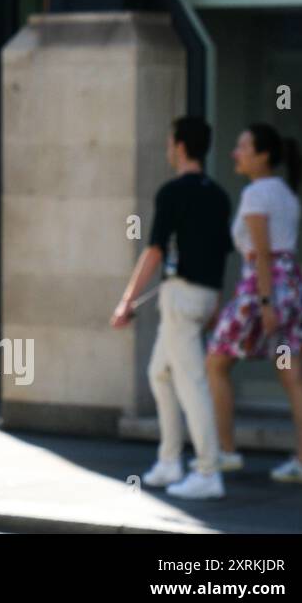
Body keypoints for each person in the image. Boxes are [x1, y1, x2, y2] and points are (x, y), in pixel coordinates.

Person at [112, 116, 233, 500]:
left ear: (180, 146)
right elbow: (220, 255)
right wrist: (216, 301)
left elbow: (154, 251)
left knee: (191, 382)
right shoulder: (218, 194)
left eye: (169, 142)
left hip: (181, 298)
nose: (168, 148)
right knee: (160, 373)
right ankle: (169, 461)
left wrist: (126, 301)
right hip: (198, 296)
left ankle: (208, 470)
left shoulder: (171, 193)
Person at [205, 124, 302, 484]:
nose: (234, 153)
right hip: (291, 287)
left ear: (262, 154)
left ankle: (226, 452)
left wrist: (266, 302)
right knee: (292, 375)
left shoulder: (257, 194)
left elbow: (263, 255)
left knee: (216, 362)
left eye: (242, 147)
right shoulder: (285, 192)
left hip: (263, 287)